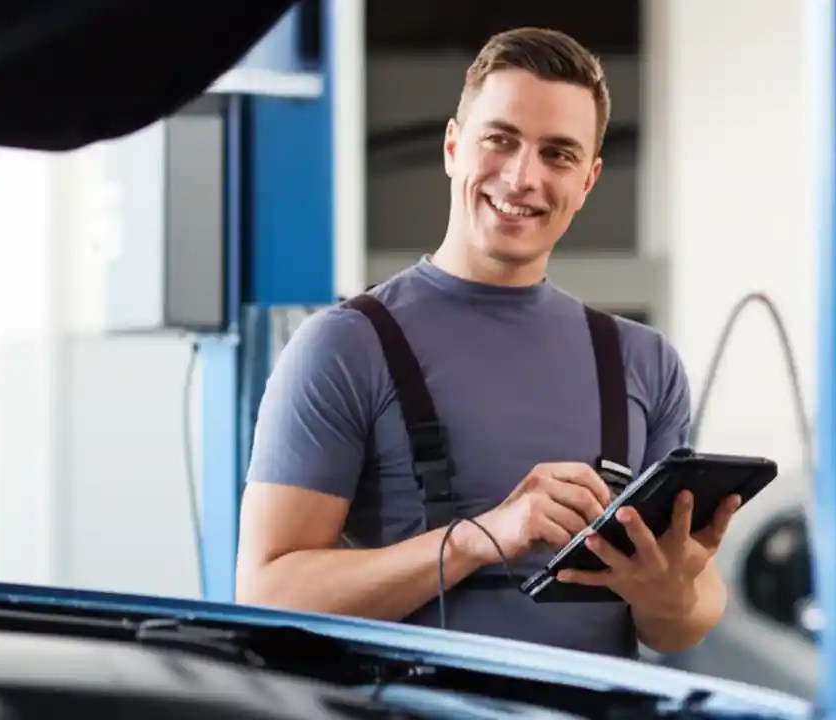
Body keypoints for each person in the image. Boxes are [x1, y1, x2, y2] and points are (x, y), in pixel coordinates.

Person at [233, 27, 740, 658]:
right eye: (500, 140)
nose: (523, 176)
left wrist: (668, 591)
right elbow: (266, 594)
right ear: (453, 146)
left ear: (588, 180)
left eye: (558, 154)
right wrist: (479, 538)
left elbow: (676, 625)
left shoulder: (645, 363)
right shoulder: (343, 347)